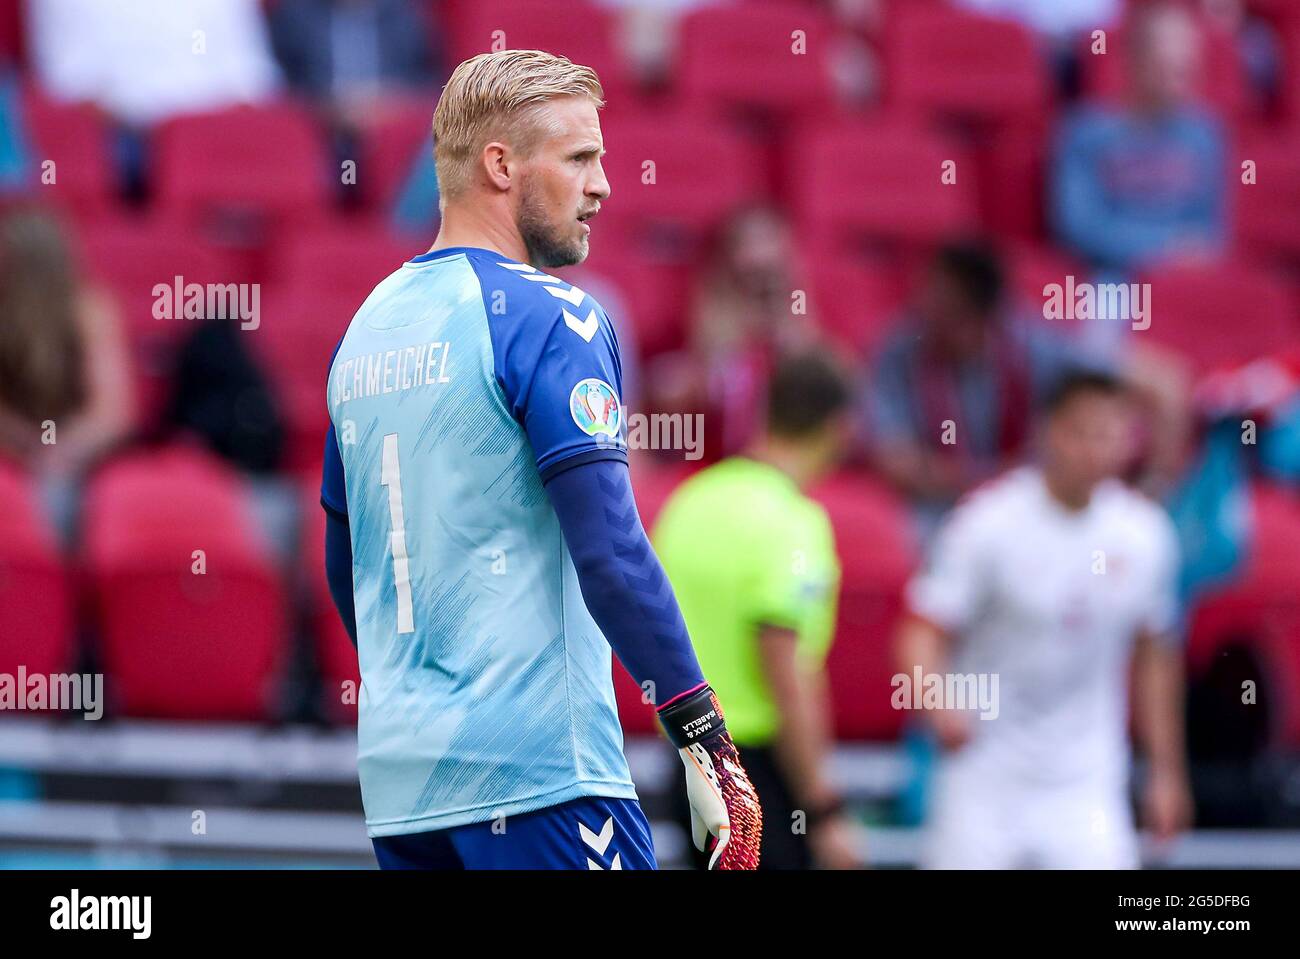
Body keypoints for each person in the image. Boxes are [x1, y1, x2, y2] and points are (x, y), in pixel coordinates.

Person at [320, 50, 761, 870]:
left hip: (404, 784)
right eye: (581, 159)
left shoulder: (364, 332)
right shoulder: (552, 317)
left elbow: (351, 570)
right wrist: (704, 735)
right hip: (541, 778)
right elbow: (614, 552)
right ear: (500, 165)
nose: (603, 186)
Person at [896, 370, 1193, 869]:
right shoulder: (988, 523)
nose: (1094, 450)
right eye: (1081, 432)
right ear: (1048, 432)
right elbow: (922, 629)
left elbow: (1155, 654)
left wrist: (1166, 773)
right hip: (984, 775)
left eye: (1109, 434)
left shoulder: (1144, 535)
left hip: (1087, 784)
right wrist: (939, 703)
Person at [655, 351, 862, 869]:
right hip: (759, 777)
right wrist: (822, 806)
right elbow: (784, 672)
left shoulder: (689, 502)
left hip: (686, 763)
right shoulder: (794, 523)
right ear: (838, 428)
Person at [864, 242, 1100, 538]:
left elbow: (1122, 389)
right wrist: (985, 480)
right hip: (938, 507)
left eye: (944, 307)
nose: (925, 311)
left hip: (1034, 503)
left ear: (984, 318)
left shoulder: (1035, 347)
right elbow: (894, 458)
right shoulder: (901, 348)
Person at [1051, 1, 1227, 274]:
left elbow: (1211, 231)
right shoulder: (1084, 131)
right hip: (1109, 279)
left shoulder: (1205, 135)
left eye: (1187, 68)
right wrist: (1163, 250)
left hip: (1185, 279)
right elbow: (1079, 229)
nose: (1179, 79)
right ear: (1135, 60)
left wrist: (1184, 256)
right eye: (1167, 68)